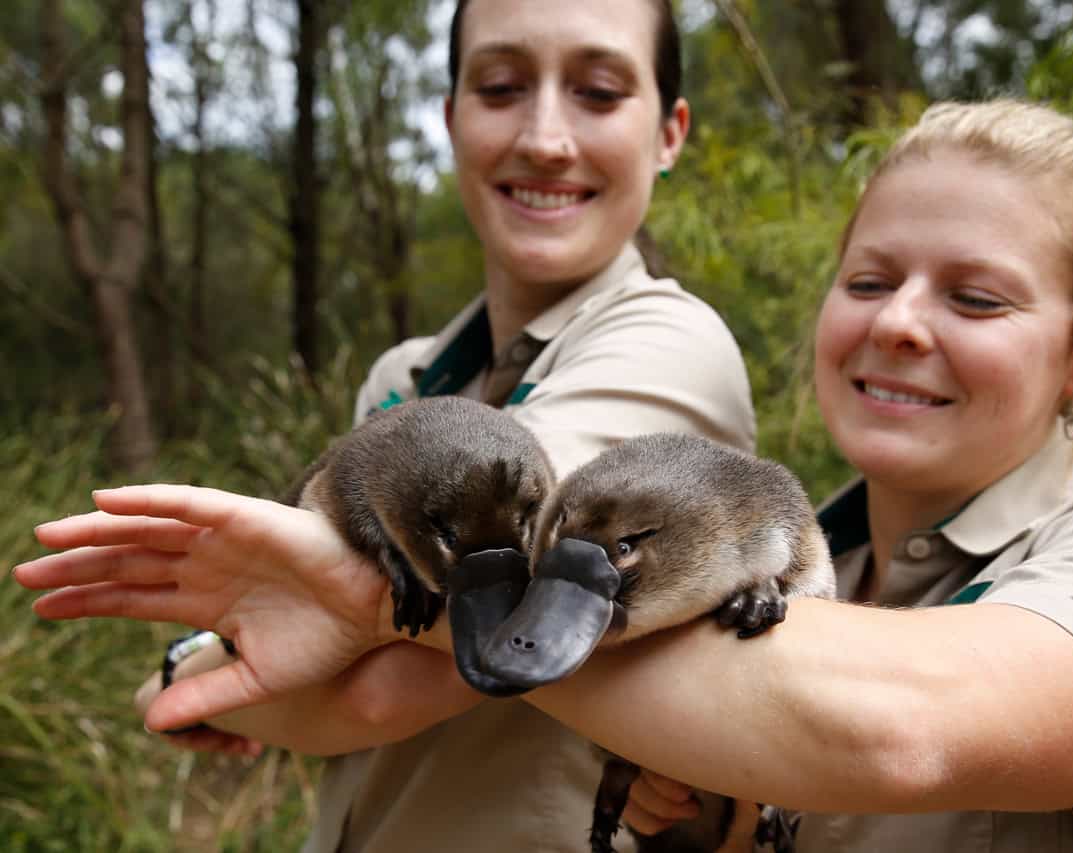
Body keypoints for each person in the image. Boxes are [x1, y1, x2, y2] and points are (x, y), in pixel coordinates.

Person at [16, 99, 1073, 850]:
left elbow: (899, 728)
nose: (900, 323)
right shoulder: (796, 577)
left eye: (975, 296)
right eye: (869, 279)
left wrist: (374, 607)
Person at [18, 0, 757, 850]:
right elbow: (296, 634)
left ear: (669, 132)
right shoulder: (406, 379)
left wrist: (198, 667)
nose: (545, 138)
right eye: (502, 86)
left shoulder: (670, 348)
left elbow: (379, 689)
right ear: (451, 119)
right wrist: (236, 656)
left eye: (597, 91)